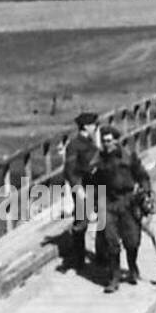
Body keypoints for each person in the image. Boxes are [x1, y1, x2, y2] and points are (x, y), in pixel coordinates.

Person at [91, 125, 151, 293]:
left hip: (128, 202)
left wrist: (145, 191)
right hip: (108, 203)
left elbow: (143, 176)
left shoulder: (129, 157)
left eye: (109, 140)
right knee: (111, 241)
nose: (106, 144)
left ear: (116, 141)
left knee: (132, 240)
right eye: (103, 141)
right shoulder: (99, 161)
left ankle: (132, 267)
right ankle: (114, 276)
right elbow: (92, 183)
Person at [62, 111, 99, 270]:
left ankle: (102, 256)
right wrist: (78, 190)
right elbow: (70, 171)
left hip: (96, 186)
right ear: (86, 126)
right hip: (82, 188)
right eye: (93, 125)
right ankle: (78, 260)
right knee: (81, 223)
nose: (95, 127)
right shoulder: (74, 145)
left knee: (103, 220)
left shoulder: (91, 143)